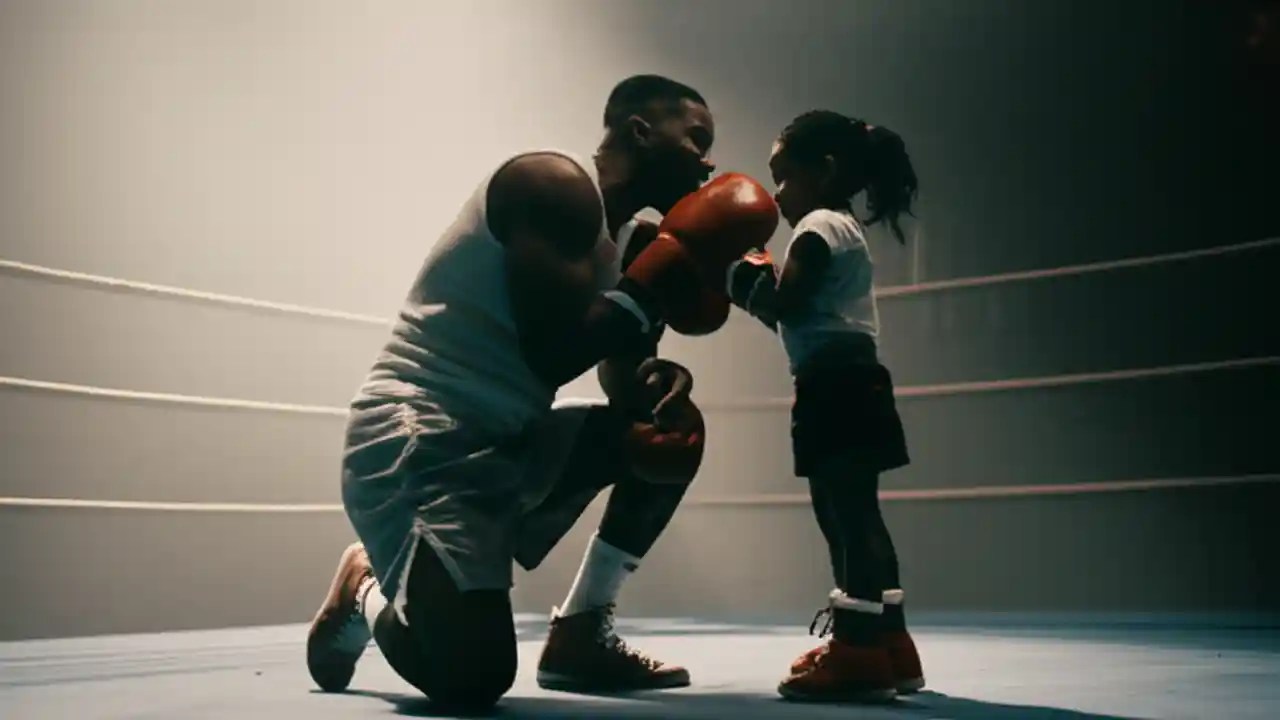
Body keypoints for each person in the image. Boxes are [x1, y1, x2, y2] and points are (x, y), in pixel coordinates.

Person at [305, 74, 779, 709]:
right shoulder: (549, 185)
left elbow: (619, 372)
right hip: (421, 440)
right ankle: (365, 583)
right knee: (473, 679)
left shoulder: (632, 245)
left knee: (662, 438)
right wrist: (657, 280)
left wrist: (657, 382)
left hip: (507, 443)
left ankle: (581, 630)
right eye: (696, 138)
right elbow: (552, 351)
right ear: (640, 130)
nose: (709, 161)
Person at [725, 109, 923, 702]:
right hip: (847, 381)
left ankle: (858, 651)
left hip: (836, 387)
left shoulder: (817, 225)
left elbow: (784, 304)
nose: (776, 194)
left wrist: (737, 272)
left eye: (783, 177)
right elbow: (799, 313)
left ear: (826, 170)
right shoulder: (839, 227)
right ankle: (889, 644)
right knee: (858, 513)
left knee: (844, 516)